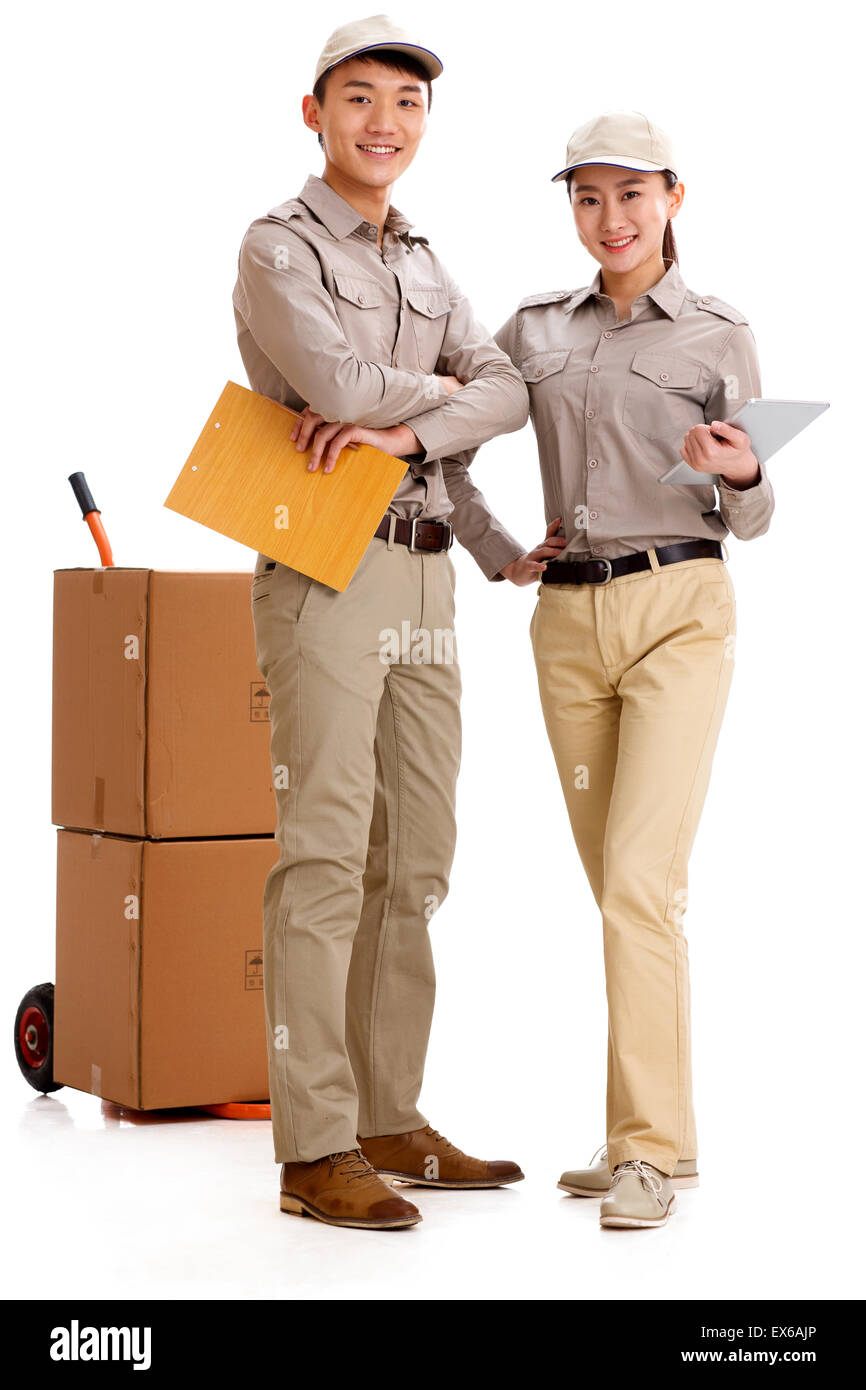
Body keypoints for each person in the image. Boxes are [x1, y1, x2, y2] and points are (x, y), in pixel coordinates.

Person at [232, 15, 547, 1231]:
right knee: (322, 851)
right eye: (358, 99)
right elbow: (347, 391)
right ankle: (313, 1146)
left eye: (405, 105)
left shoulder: (425, 257)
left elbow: (507, 389)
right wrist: (439, 398)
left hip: (427, 572)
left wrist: (481, 527)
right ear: (313, 113)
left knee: (413, 861)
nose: (383, 122)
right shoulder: (277, 246)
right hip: (324, 565)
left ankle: (386, 1117)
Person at [488, 110, 775, 1228]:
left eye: (629, 195)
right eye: (586, 198)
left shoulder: (714, 331)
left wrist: (742, 470)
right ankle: (644, 1139)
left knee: (635, 884)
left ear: (672, 198)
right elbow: (459, 425)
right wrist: (494, 541)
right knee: (612, 886)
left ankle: (648, 1148)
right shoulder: (531, 329)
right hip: (564, 621)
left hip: (677, 608)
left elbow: (753, 512)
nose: (608, 219)